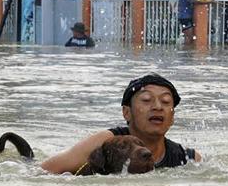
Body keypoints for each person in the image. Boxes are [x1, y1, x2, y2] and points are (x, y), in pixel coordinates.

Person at [41, 73, 201, 174]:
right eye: (146, 100)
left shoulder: (187, 159)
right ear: (126, 112)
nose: (158, 107)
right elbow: (44, 171)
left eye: (166, 102)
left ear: (172, 117)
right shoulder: (105, 142)